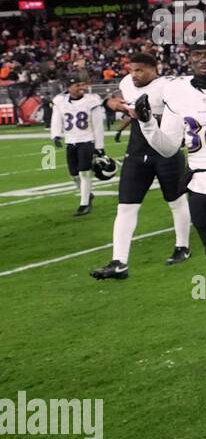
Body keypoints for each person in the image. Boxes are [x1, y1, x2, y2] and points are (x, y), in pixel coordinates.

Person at [135, 41, 206, 371]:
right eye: (197, 54)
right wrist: (147, 123)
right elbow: (169, 147)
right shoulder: (178, 92)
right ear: (188, 58)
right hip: (199, 182)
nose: (204, 59)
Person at [91, 53, 192, 279]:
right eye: (132, 70)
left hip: (166, 150)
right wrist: (115, 104)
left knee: (176, 201)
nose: (134, 75)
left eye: (139, 70)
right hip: (137, 151)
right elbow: (117, 100)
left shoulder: (169, 86)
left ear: (154, 69)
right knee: (126, 206)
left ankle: (182, 246)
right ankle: (119, 262)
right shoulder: (127, 83)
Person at [51, 78, 105, 217]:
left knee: (84, 172)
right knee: (74, 175)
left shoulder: (91, 100)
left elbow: (98, 125)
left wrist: (99, 146)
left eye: (82, 85)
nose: (81, 87)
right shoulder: (61, 101)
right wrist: (55, 135)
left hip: (86, 140)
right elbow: (56, 118)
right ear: (69, 88)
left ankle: (84, 204)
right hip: (70, 141)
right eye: (77, 85)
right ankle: (87, 194)